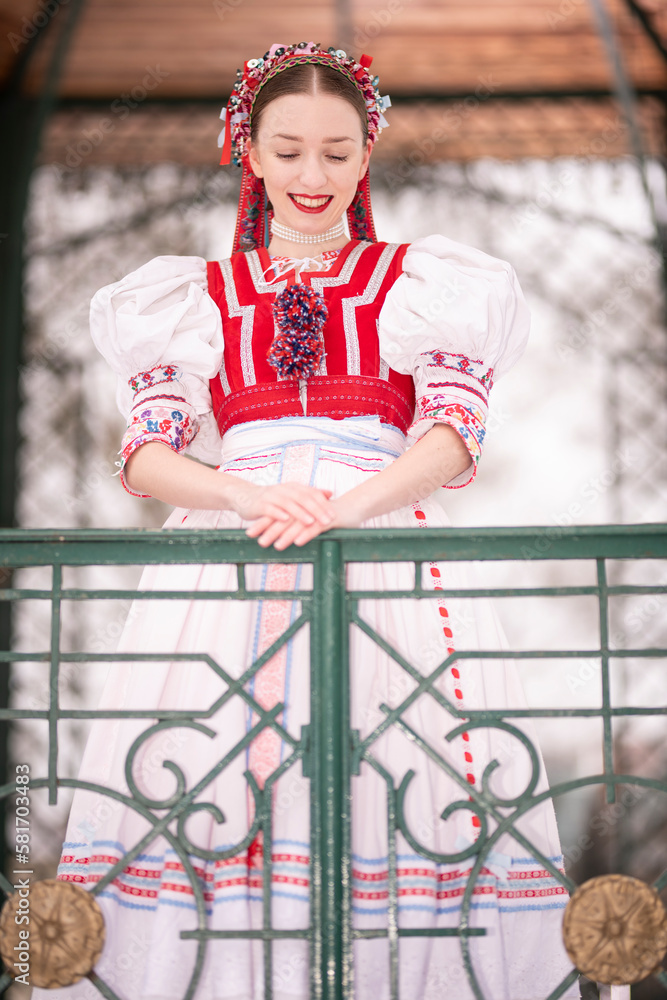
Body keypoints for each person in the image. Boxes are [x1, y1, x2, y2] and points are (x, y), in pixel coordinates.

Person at [33, 41, 580, 1000]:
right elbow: (147, 455)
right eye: (287, 151)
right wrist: (246, 494)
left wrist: (344, 510)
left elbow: (452, 434)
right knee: (204, 777)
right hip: (227, 564)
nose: (311, 175)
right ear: (247, 150)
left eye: (335, 151)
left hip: (378, 554)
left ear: (367, 152)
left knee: (394, 779)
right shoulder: (191, 298)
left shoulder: (424, 283)